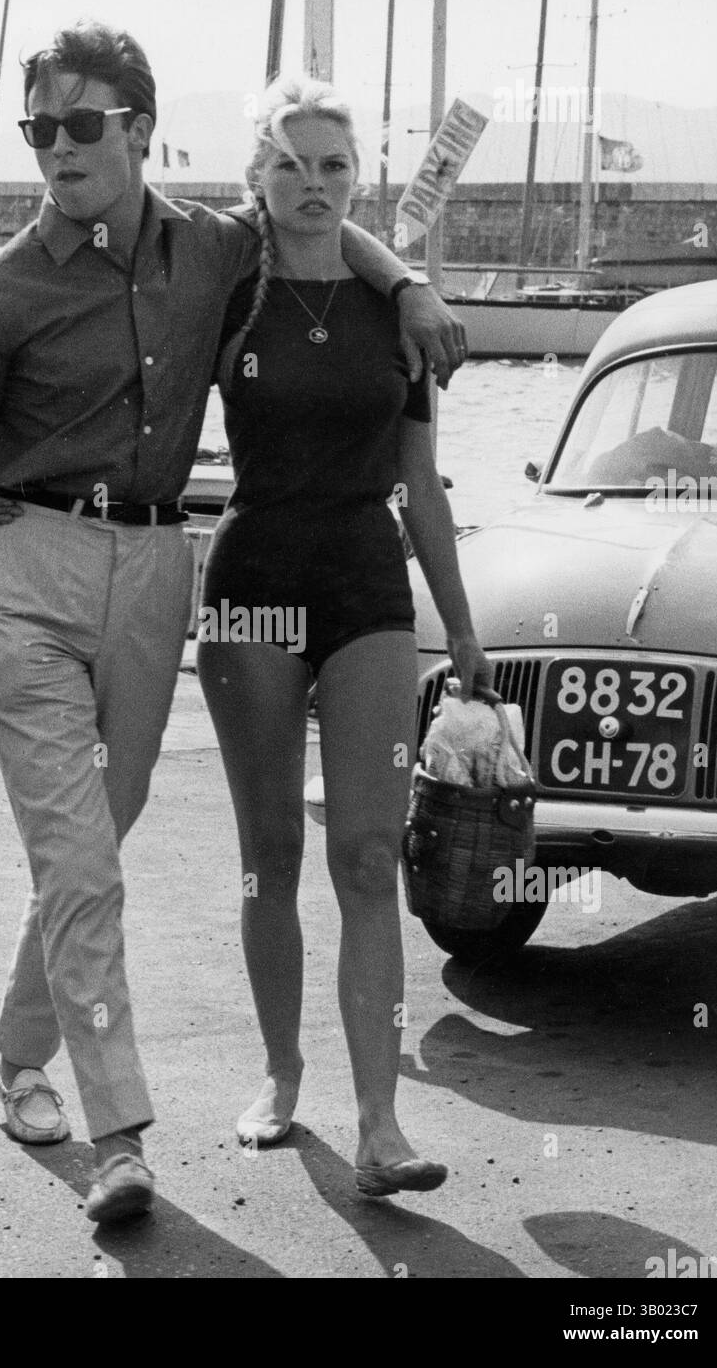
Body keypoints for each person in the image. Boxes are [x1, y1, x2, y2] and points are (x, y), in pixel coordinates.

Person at [0, 19, 467, 1226]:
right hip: (49, 571)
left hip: (164, 564)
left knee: (100, 834)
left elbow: (314, 220)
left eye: (81, 124)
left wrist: (407, 277)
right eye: (39, 128)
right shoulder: (1, 290)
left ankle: (19, 1056)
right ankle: (123, 1136)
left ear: (140, 134)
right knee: (90, 862)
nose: (55, 146)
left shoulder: (211, 249)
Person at [196, 76, 493, 1198]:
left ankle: (380, 1123)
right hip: (253, 586)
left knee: (369, 857)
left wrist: (460, 625)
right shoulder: (226, 296)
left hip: (367, 584)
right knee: (269, 854)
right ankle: (280, 1075)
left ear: (357, 178)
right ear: (255, 181)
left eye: (333, 166)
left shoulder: (400, 315)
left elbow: (420, 488)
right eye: (288, 164)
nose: (311, 184)